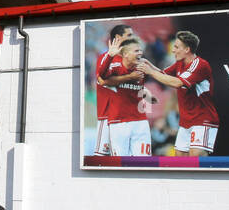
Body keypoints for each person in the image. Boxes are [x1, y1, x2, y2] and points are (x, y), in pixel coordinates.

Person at [139, 30, 220, 155]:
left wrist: (150, 72)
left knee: (195, 155)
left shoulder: (200, 65)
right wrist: (149, 65)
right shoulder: (179, 64)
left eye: (176, 47)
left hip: (202, 120)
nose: (173, 50)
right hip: (186, 121)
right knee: (180, 158)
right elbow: (163, 75)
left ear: (187, 49)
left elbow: (177, 83)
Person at [93, 24, 133, 155]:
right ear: (118, 37)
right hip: (107, 116)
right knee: (101, 157)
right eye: (129, 35)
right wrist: (110, 56)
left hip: (126, 118)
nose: (132, 38)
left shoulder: (130, 60)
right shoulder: (105, 57)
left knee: (123, 157)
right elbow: (101, 79)